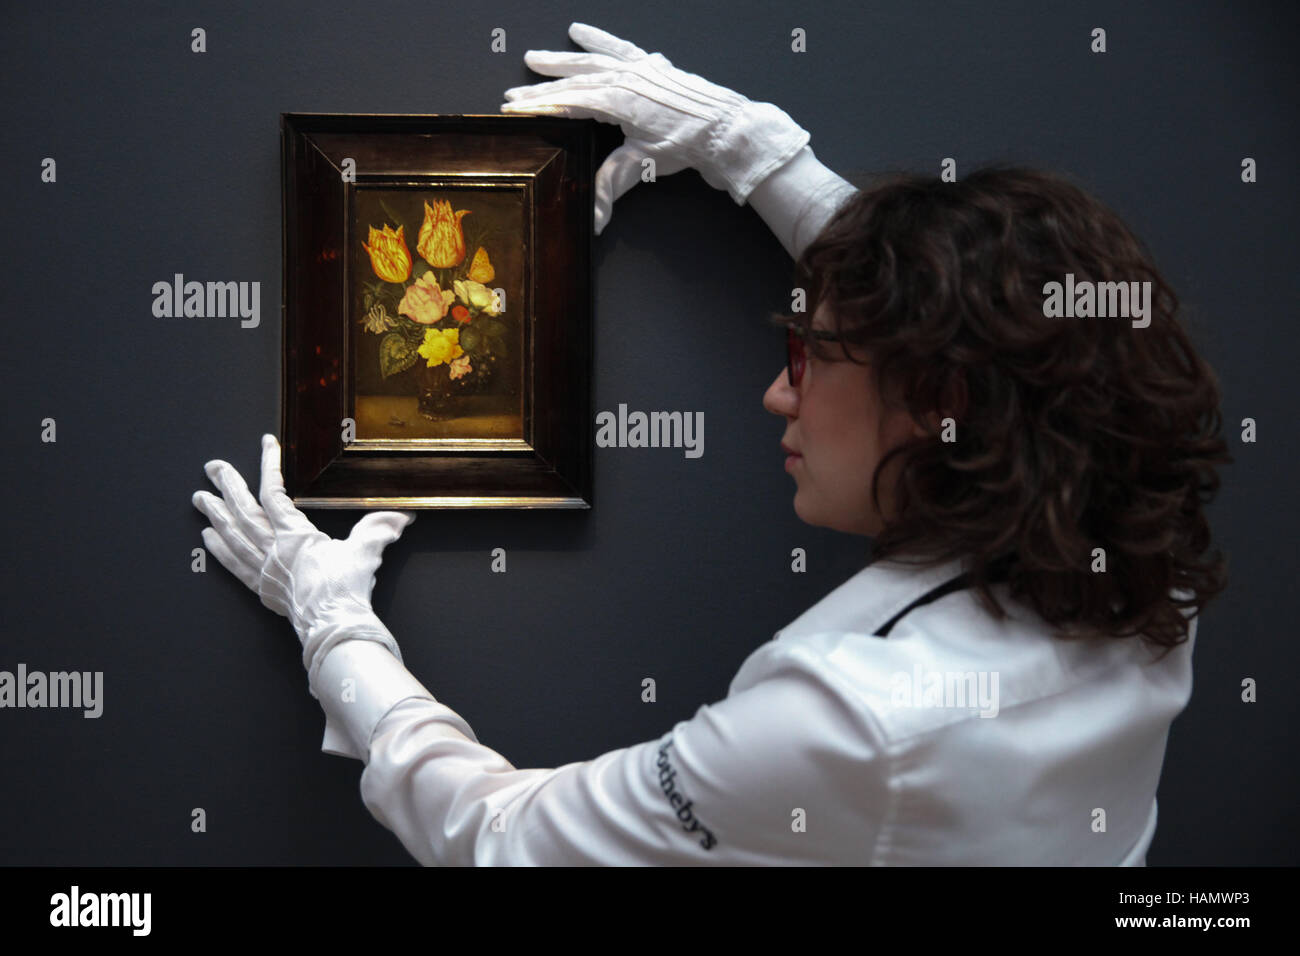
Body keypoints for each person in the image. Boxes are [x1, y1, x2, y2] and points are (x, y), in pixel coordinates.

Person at [191, 23, 1228, 865]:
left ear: (938, 400)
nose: (777, 391)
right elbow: (966, 327)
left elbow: (501, 839)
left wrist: (334, 627)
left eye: (811, 353)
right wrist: (751, 148)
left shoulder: (843, 718)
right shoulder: (1138, 557)